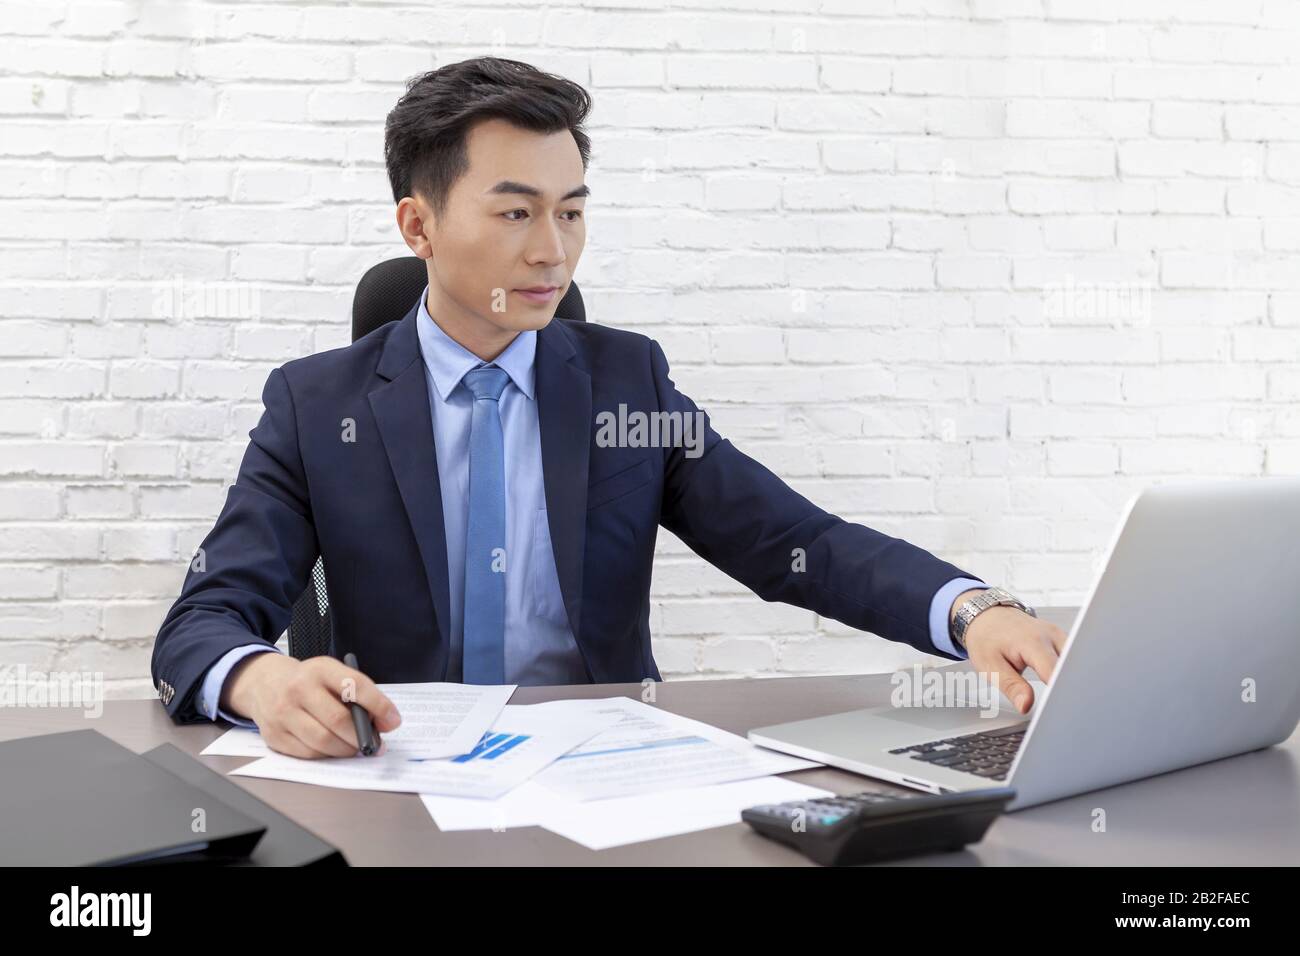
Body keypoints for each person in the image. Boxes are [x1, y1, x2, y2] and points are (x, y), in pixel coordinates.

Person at [152, 57, 1066, 758]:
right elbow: (203, 620)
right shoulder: (318, 405)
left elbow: (801, 544)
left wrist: (971, 610)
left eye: (572, 212)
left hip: (607, 760)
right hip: (401, 765)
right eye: (515, 214)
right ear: (418, 226)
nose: (553, 251)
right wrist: (260, 681)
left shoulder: (627, 384)